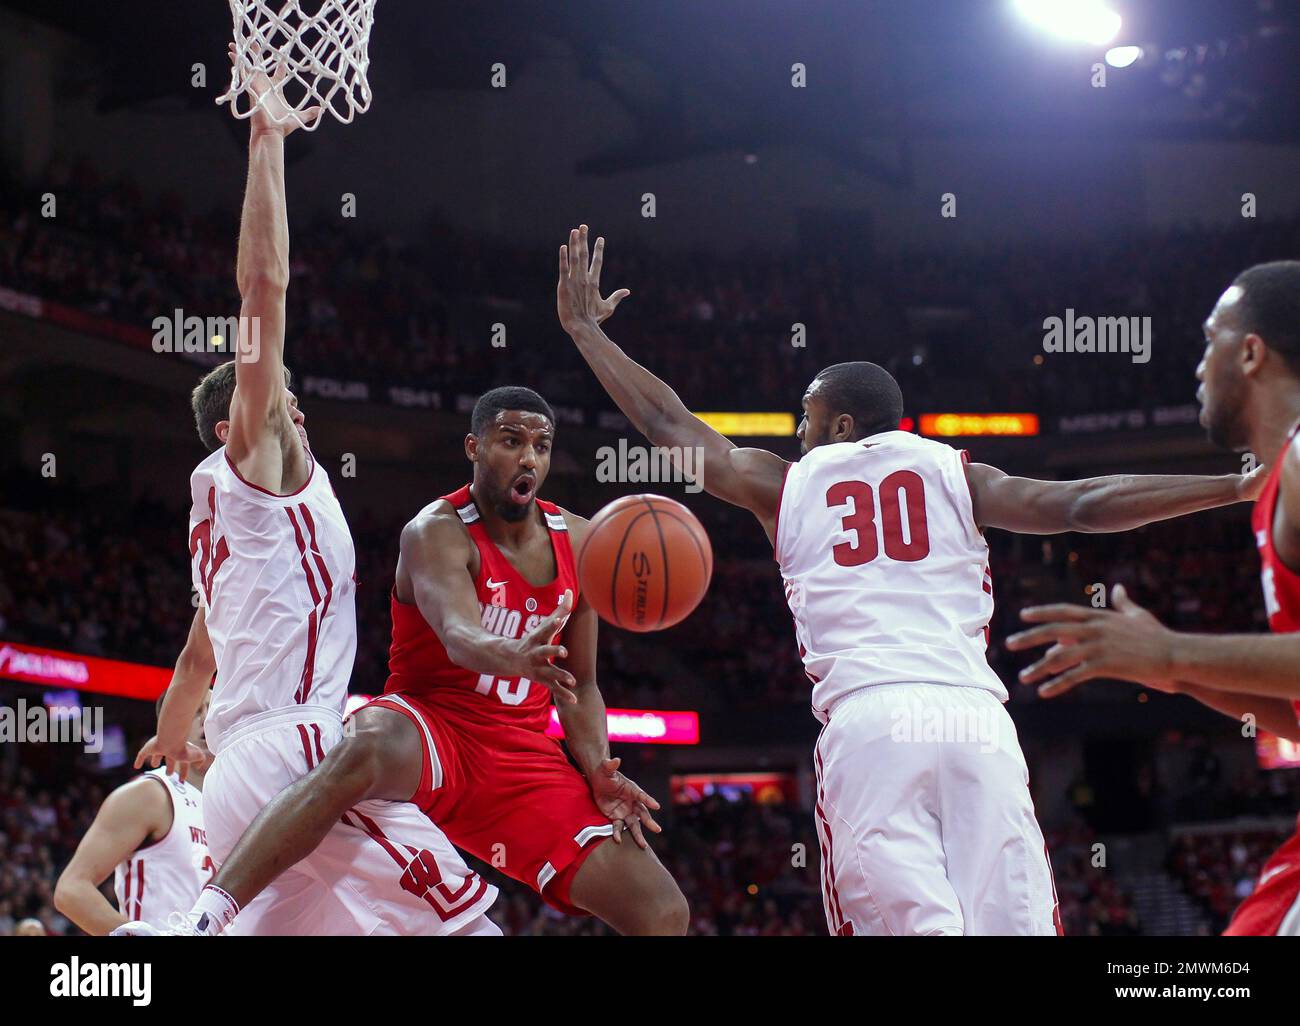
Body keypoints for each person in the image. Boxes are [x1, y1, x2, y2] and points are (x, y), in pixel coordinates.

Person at [555, 224, 1265, 936]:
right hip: (975, 721)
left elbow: (667, 423)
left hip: (871, 723)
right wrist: (1231, 488)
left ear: (839, 423)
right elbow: (1081, 504)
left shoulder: (786, 483)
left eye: (805, 420)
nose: (797, 436)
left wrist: (588, 333)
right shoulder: (959, 473)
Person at [119, 48, 496, 937]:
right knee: (470, 927)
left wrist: (176, 742)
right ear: (235, 425)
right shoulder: (258, 466)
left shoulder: (217, 532)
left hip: (237, 786)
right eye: (279, 399)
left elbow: (194, 667)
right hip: (300, 753)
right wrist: (266, 140)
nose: (295, 410)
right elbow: (263, 286)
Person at [188, 386, 689, 936]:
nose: (528, 457)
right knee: (368, 739)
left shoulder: (583, 539)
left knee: (663, 912)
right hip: (433, 728)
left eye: (542, 446)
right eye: (511, 440)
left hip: (523, 756)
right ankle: (207, 917)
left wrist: (597, 768)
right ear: (474, 447)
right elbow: (458, 635)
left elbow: (583, 685)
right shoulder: (435, 530)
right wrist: (516, 656)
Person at [1006, 260, 1300, 935]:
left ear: (1251, 353)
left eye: (1210, 339)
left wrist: (1172, 649)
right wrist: (1174, 671)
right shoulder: (1279, 479)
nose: (1199, 365)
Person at [55, 694, 212, 935]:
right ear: (169, 724)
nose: (206, 718)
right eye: (194, 710)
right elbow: (71, 890)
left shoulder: (235, 808)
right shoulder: (151, 794)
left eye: (212, 708)